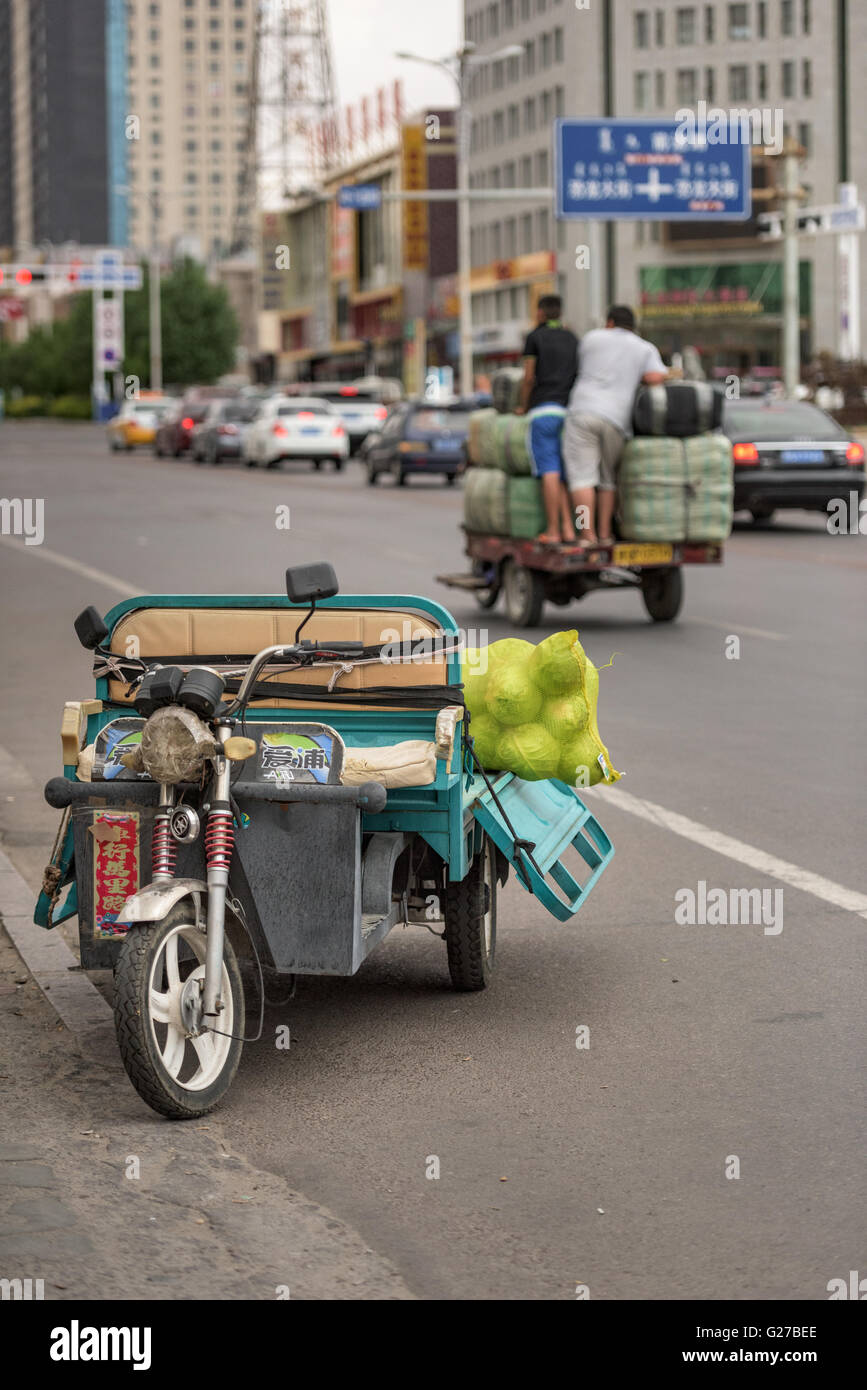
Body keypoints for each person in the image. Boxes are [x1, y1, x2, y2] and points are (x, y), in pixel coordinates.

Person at [562, 304, 667, 546]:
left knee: (582, 478)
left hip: (583, 411)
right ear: (633, 326)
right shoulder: (643, 347)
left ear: (609, 322)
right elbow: (655, 377)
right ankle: (604, 534)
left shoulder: (591, 338)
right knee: (608, 479)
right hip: (617, 418)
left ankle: (586, 535)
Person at [514, 295, 580, 544]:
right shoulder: (573, 338)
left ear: (540, 313)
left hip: (544, 412)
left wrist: (523, 405)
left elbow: (529, 377)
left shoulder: (535, 337)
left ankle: (552, 530)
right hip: (570, 414)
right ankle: (569, 529)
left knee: (549, 471)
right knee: (563, 473)